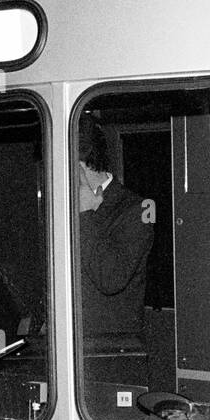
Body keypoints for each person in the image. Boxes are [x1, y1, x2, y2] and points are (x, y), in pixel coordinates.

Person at [76, 116, 154, 350]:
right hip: (71, 342)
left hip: (110, 349)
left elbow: (111, 278)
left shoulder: (135, 210)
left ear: (79, 166)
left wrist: (85, 214)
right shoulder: (64, 207)